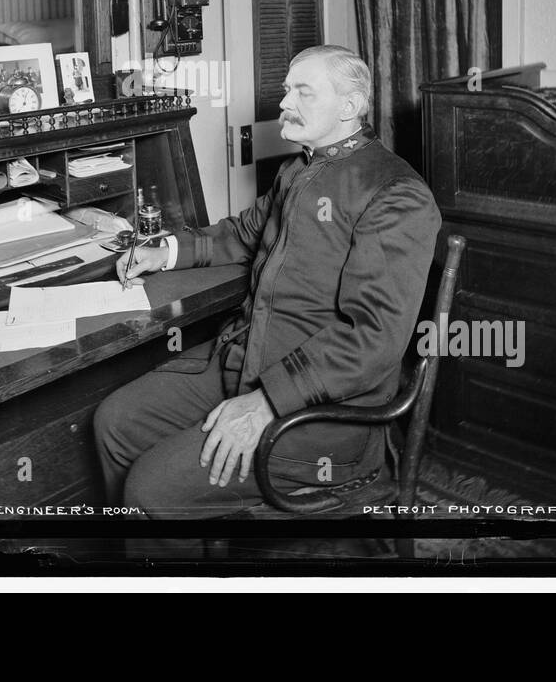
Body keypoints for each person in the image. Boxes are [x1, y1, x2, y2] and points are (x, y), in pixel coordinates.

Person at [93, 45, 442, 518]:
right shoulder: (298, 170)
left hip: (323, 411)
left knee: (150, 490)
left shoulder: (395, 195)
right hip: (245, 360)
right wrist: (166, 251)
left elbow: (372, 339)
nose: (284, 103)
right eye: (286, 90)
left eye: (303, 91)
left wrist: (264, 404)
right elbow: (242, 234)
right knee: (116, 421)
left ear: (349, 106)